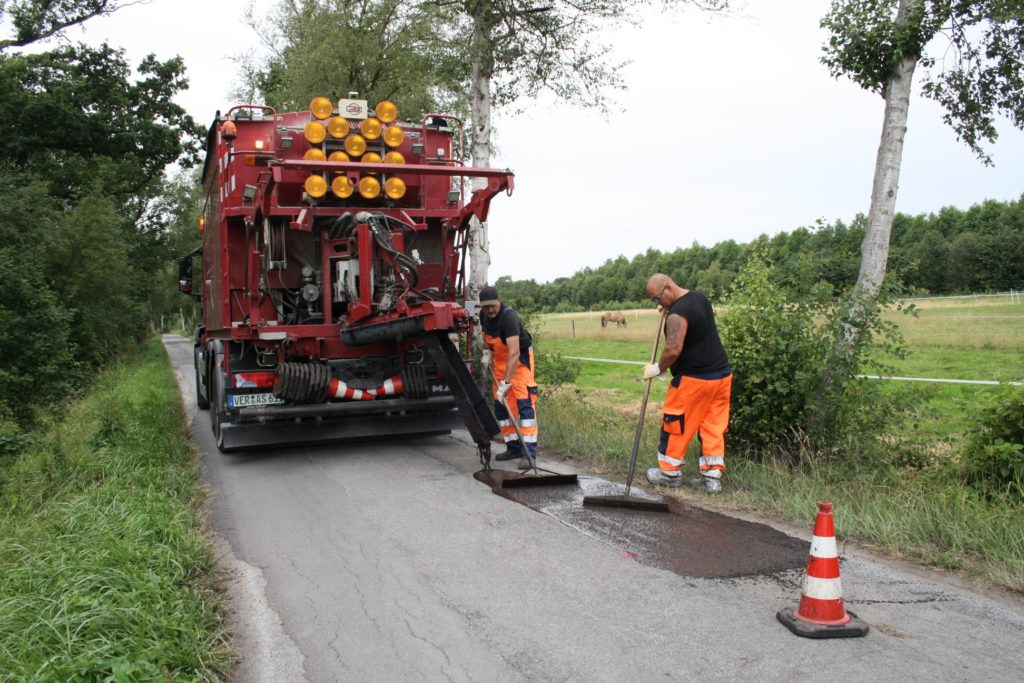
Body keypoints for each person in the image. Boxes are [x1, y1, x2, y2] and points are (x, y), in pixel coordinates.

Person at [643, 274, 732, 493]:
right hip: (721, 376)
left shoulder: (678, 313)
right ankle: (712, 478)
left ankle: (669, 473)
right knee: (713, 425)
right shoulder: (699, 298)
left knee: (676, 423)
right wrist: (666, 312)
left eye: (657, 299)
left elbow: (673, 348)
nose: (657, 303)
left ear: (668, 288)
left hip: (694, 380)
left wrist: (658, 369)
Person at [478, 285, 538, 470]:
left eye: (492, 306)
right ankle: (514, 447)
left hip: (519, 364)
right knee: (502, 407)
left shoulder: (508, 318)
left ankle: (529, 454)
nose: (489, 310)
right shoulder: (484, 316)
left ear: (499, 300)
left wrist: (506, 382)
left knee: (524, 407)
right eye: (485, 307)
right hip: (500, 363)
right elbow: (487, 339)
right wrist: (487, 353)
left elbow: (514, 353)